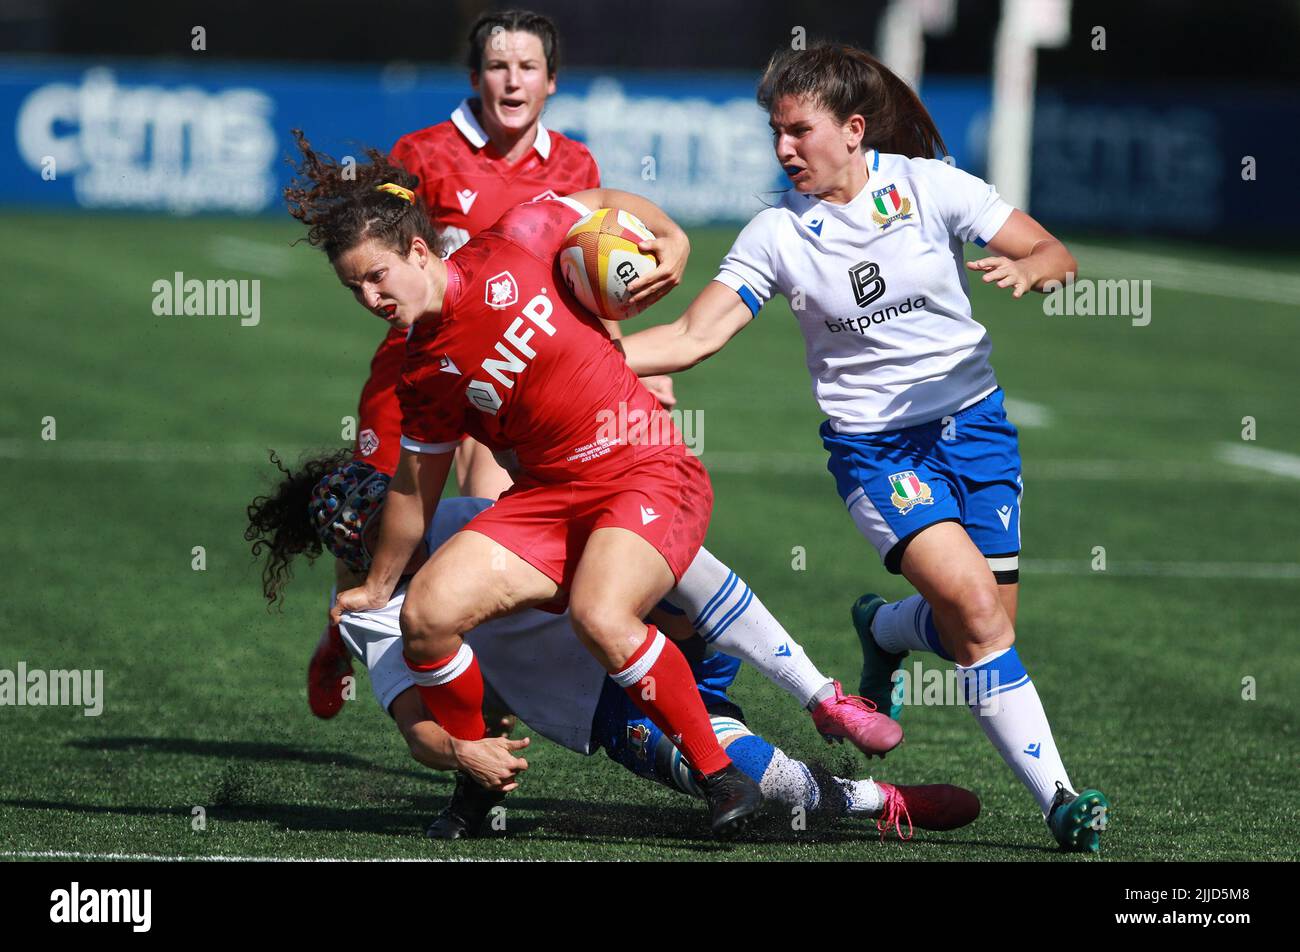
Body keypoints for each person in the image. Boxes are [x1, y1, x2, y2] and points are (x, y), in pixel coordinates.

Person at [614, 43, 1110, 852]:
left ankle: (885, 632)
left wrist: (1038, 272)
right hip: (881, 455)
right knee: (978, 613)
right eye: (775, 131)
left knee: (975, 631)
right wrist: (575, 359)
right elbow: (694, 335)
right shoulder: (777, 232)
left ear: (852, 130)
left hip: (977, 430)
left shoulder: (929, 186)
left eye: (797, 131)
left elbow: (1051, 250)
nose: (783, 149)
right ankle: (1060, 799)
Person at [285, 134, 771, 838]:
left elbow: (601, 202)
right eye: (355, 286)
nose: (370, 296)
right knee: (426, 618)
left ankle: (722, 778)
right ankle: (479, 778)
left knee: (602, 618)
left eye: (379, 275)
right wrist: (379, 584)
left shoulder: (514, 240)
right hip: (548, 499)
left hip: (643, 467)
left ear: (420, 252)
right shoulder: (421, 372)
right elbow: (414, 489)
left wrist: (672, 240)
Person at [246, 455, 980, 841]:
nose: (399, 536)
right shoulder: (374, 613)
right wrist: (465, 754)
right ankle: (879, 801)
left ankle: (823, 695)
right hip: (592, 700)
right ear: (354, 552)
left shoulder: (463, 517)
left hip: (634, 630)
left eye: (394, 519)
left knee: (674, 551)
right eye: (376, 537)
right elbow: (418, 726)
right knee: (760, 785)